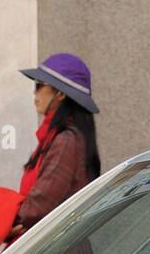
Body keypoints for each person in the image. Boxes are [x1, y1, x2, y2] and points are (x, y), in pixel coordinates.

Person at [8, 52, 102, 242]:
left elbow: (40, 205)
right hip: (49, 250)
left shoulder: (66, 140)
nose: (35, 93)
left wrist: (2, 222)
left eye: (40, 85)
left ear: (60, 93)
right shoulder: (55, 138)